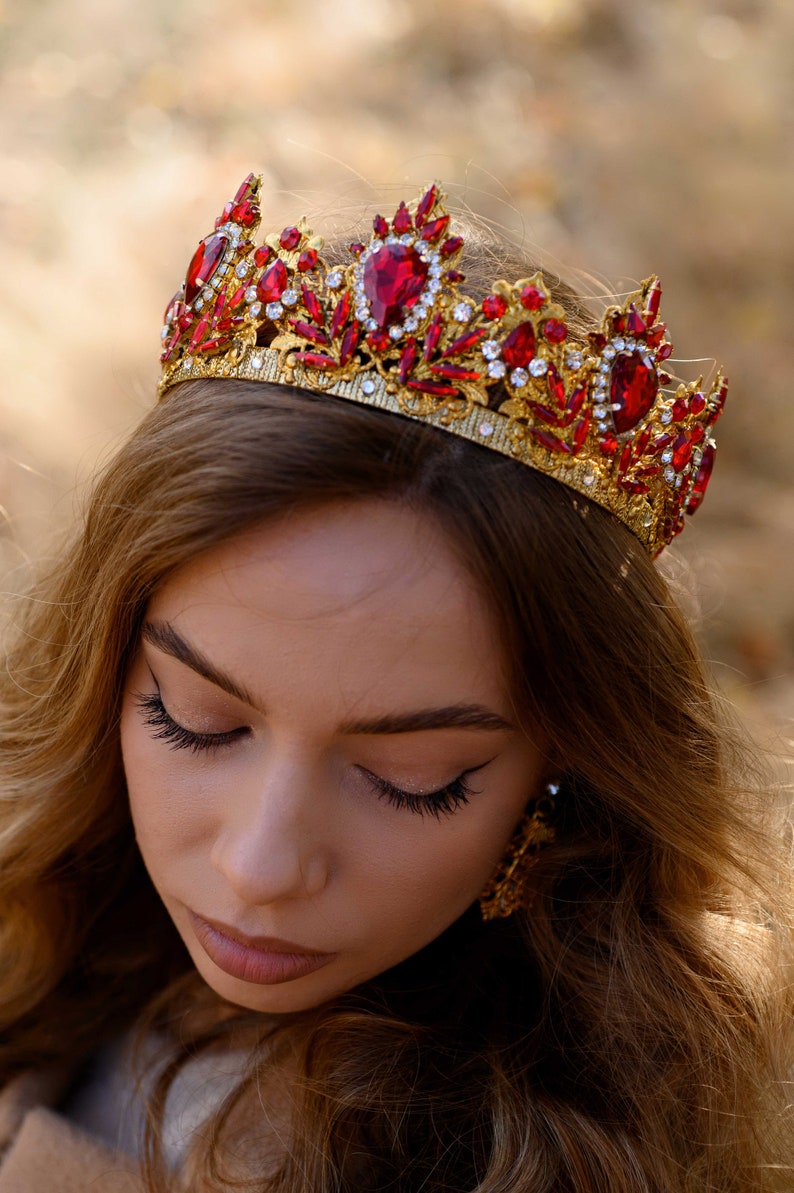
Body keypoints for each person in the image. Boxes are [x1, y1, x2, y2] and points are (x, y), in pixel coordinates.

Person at [0, 173, 791, 1193]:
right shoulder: (44, 931)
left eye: (412, 779)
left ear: (559, 779)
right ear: (102, 673)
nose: (260, 866)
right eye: (195, 721)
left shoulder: (551, 1157)